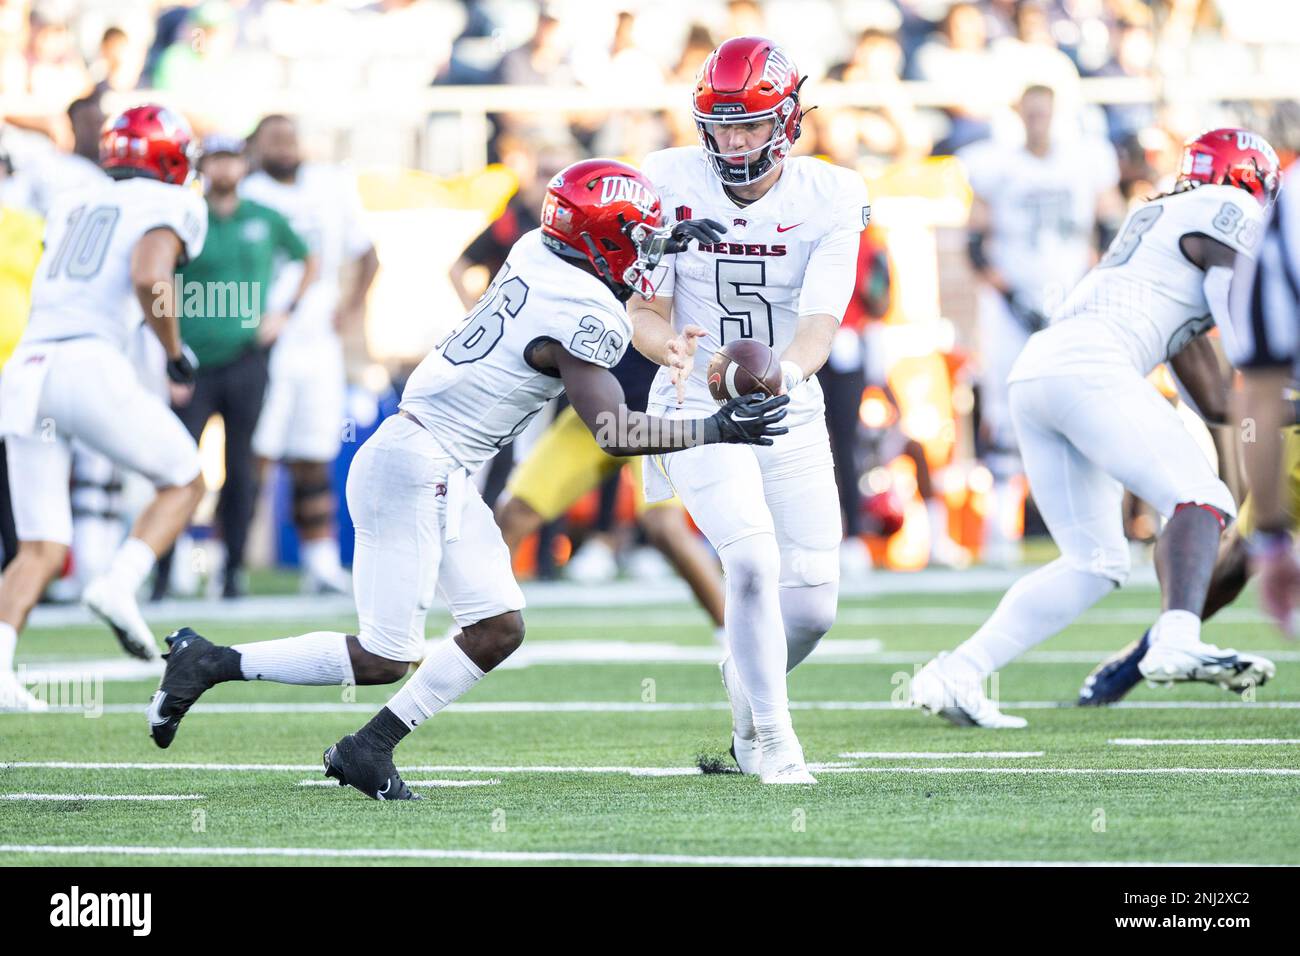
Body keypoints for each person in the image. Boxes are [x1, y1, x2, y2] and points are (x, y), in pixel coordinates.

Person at [144, 159, 788, 806]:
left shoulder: (539, 248)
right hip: (417, 464)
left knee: (498, 627)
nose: (648, 256)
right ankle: (212, 661)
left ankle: (369, 748)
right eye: (639, 240)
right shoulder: (582, 309)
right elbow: (615, 431)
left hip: (435, 460)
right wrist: (719, 429)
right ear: (602, 242)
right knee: (384, 656)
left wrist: (666, 239)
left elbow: (600, 264)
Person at [910, 128, 1282, 728]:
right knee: (1201, 498)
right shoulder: (1229, 208)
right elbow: (1248, 348)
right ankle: (1176, 636)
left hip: (1041, 371)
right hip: (1089, 367)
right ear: (1249, 181)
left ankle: (956, 672)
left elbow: (1215, 397)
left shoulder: (1165, 222)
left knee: (1094, 561)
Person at [630, 37, 871, 783]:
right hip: (694, 398)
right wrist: (671, 349)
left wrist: (782, 377)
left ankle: (745, 697)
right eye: (721, 125)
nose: (732, 142)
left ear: (788, 120)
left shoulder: (831, 194)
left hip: (787, 400)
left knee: (815, 606)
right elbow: (645, 309)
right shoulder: (665, 180)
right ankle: (776, 742)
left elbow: (821, 326)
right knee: (752, 558)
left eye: (750, 124)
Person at [0, 105, 208, 711]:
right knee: (186, 479)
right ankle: (119, 584)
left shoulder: (74, 195)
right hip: (86, 363)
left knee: (40, 544)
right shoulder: (171, 203)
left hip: (27, 368)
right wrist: (173, 351)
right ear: (168, 157)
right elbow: (150, 275)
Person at [961, 84, 1121, 565]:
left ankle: (1095, 520)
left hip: (1071, 296)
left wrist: (1087, 287)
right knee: (1002, 405)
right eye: (1029, 114)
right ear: (1018, 115)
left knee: (1082, 399)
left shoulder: (1086, 161)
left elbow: (1110, 229)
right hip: (1011, 301)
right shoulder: (997, 166)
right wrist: (1009, 295)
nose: (1037, 122)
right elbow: (975, 244)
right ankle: (999, 526)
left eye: (1043, 113)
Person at [161, 134, 318, 599]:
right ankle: (166, 570)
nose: (224, 169)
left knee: (242, 466)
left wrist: (284, 311)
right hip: (191, 361)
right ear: (203, 166)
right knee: (177, 465)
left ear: (243, 165)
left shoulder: (264, 218)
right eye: (216, 160)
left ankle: (232, 571)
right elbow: (159, 279)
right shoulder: (185, 217)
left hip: (247, 357)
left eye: (231, 160)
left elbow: (310, 259)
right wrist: (169, 355)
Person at [242, 114, 379, 594]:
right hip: (265, 341)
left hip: (318, 338)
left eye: (290, 136)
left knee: (314, 452)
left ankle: (318, 560)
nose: (284, 146)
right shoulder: (247, 192)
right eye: (273, 138)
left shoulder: (329, 185)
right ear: (255, 147)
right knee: (254, 453)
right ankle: (232, 558)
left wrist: (351, 307)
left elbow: (368, 254)